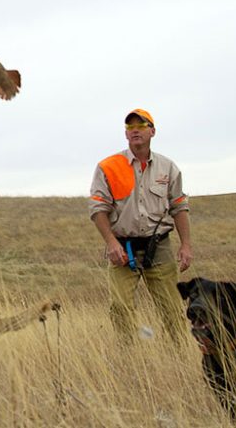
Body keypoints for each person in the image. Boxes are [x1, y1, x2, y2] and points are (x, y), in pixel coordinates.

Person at [89, 108, 193, 345]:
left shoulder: (168, 168)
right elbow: (97, 210)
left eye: (141, 126)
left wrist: (186, 245)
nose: (135, 130)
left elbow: (179, 206)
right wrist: (111, 243)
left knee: (172, 309)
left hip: (160, 247)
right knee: (120, 307)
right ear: (126, 135)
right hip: (123, 248)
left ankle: (178, 356)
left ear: (152, 131)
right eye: (130, 127)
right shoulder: (108, 166)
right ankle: (130, 358)